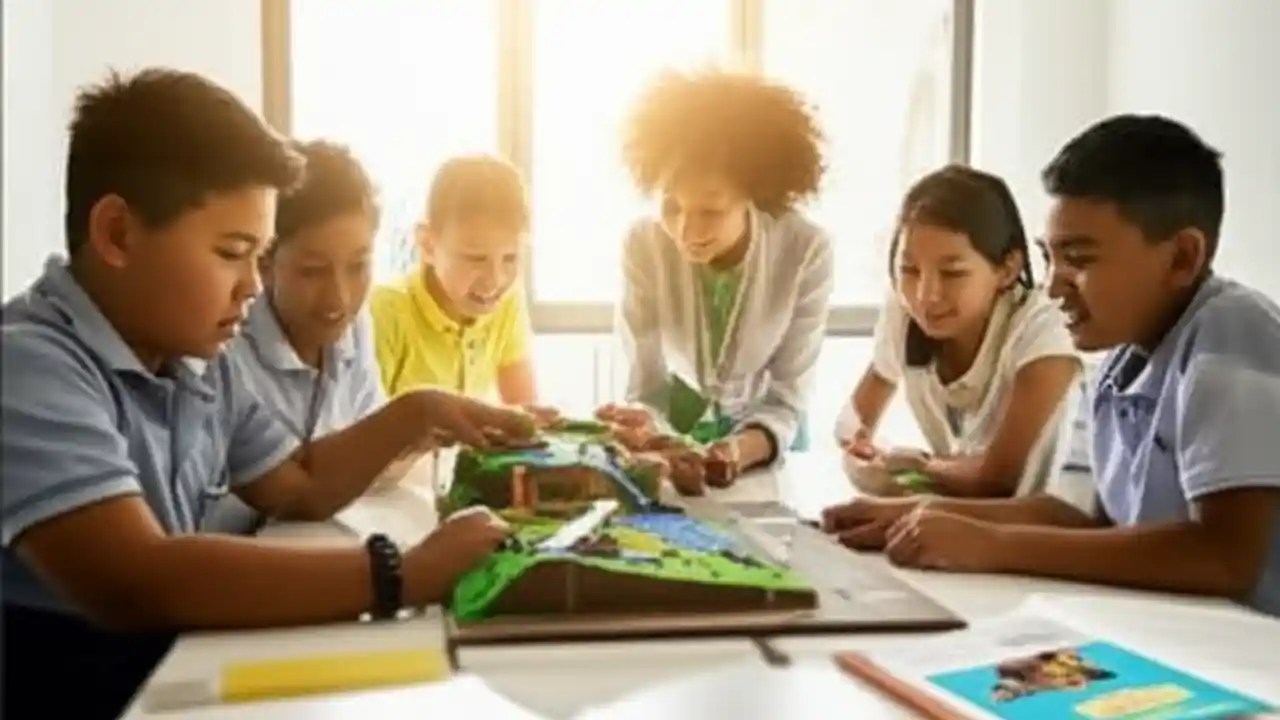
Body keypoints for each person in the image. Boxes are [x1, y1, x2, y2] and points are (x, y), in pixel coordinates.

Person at [0, 69, 530, 718]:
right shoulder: (29, 364)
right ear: (116, 233)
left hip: (174, 673)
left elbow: (298, 483)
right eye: (233, 252)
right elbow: (134, 579)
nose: (254, 287)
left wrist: (420, 412)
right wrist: (401, 573)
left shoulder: (195, 360)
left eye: (261, 257)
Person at [821, 115, 1280, 618]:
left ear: (1182, 258)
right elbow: (1078, 513)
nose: (1056, 285)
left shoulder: (1231, 336)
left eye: (1079, 260)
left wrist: (993, 544)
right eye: (1051, 257)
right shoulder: (1115, 360)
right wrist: (916, 512)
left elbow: (1223, 556)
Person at [604, 69, 835, 491]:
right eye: (672, 206)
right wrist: (653, 436)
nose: (687, 231)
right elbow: (645, 385)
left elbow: (788, 396)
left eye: (710, 212)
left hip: (767, 444)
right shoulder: (643, 245)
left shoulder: (805, 250)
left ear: (754, 196)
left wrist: (735, 452)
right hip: (673, 437)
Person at [836, 165, 1081, 499]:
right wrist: (860, 446)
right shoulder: (905, 313)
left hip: (1045, 527)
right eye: (909, 270)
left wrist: (918, 464)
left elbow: (998, 480)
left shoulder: (1044, 328)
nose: (926, 295)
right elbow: (853, 422)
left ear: (1008, 269)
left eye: (952, 273)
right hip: (964, 518)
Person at [206, 139, 387, 534]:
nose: (339, 297)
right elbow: (296, 489)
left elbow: (372, 455)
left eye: (358, 266)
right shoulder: (219, 345)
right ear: (265, 261)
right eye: (312, 270)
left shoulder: (352, 324)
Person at [370, 156, 538, 405]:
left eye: (510, 258)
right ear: (428, 245)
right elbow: (363, 431)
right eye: (476, 258)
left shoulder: (507, 300)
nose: (495, 280)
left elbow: (525, 411)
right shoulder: (384, 311)